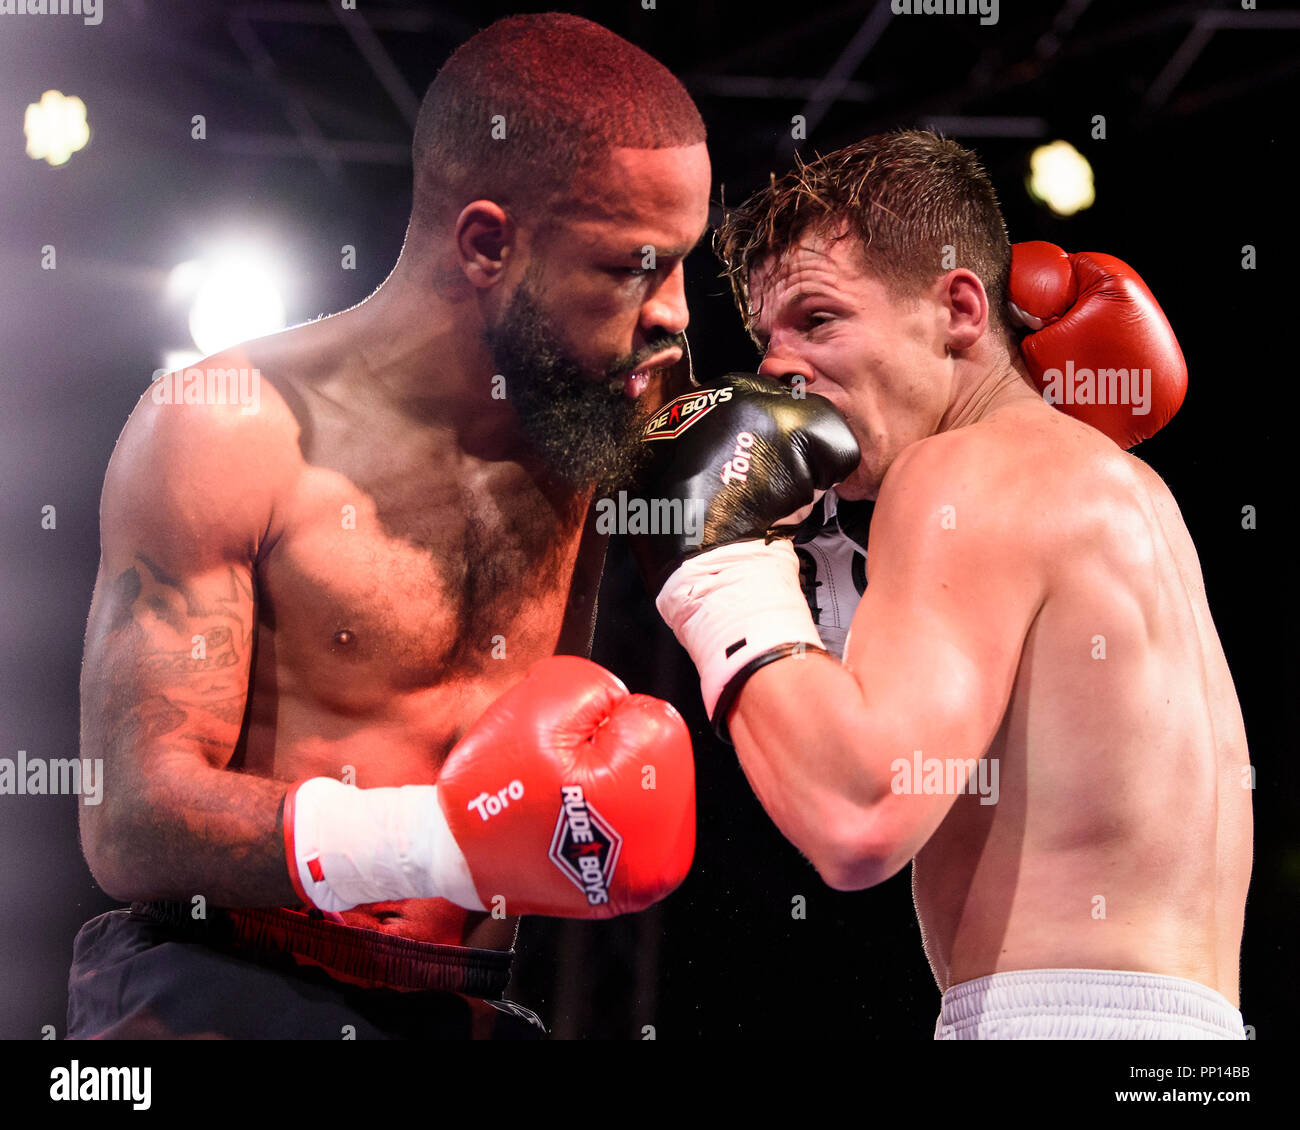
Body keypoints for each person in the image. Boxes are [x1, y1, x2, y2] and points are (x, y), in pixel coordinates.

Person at [68, 13, 706, 1040]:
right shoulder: (230, 427)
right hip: (227, 990)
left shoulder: (603, 413)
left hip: (468, 1002)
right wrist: (444, 839)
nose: (674, 310)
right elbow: (131, 820)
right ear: (488, 242)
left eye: (682, 262)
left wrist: (998, 399)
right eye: (635, 265)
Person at [633, 130, 1251, 1039]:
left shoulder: (963, 472)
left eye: (818, 318)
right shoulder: (1120, 487)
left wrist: (717, 564)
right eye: (768, 337)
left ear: (959, 308)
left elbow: (860, 813)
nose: (776, 367)